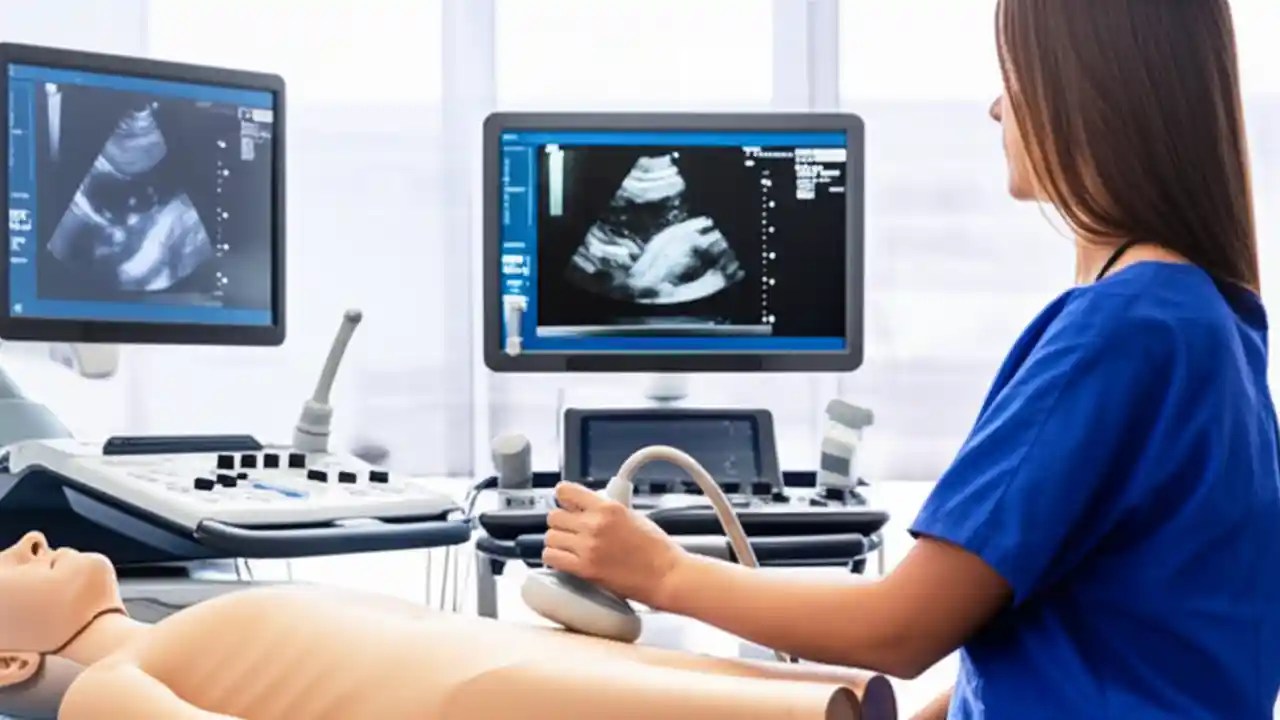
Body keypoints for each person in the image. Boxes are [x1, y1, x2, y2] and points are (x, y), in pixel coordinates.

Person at [541, 0, 1280, 718]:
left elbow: (902, 628)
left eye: (1015, 75)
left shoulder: (1125, 331)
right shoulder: (1209, 319)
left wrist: (660, 570)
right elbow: (1099, 628)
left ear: (1085, 91)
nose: (998, 109)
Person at [0, 531, 896, 720]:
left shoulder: (178, 628)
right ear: (8, 663)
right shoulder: (117, 688)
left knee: (846, 701)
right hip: (476, 701)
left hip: (501, 666)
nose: (28, 538)